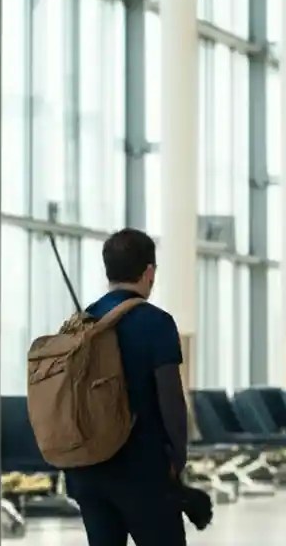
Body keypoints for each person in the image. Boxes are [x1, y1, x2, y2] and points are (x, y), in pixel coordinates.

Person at [65, 228, 188, 546]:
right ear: (149, 272)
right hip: (141, 468)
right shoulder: (156, 323)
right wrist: (177, 457)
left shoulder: (81, 322)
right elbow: (171, 400)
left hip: (87, 469)